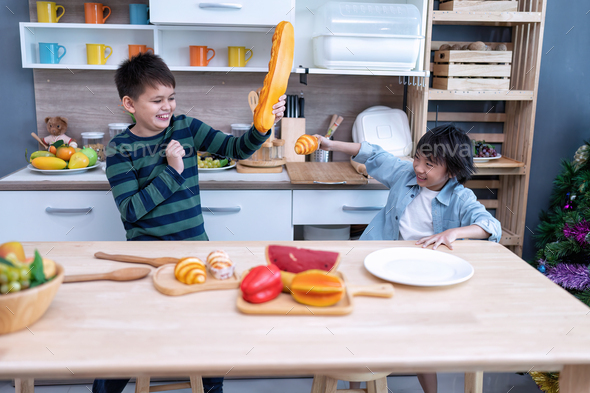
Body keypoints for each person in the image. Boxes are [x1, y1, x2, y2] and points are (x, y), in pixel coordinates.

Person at [95, 53, 285, 393]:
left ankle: (212, 387)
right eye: (156, 100)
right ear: (129, 103)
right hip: (147, 258)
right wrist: (172, 171)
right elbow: (131, 210)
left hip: (197, 249)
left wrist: (262, 124)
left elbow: (235, 149)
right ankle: (105, 387)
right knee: (132, 331)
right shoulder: (119, 149)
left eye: (171, 97)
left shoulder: (186, 128)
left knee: (209, 328)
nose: (166, 107)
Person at [316, 124, 501, 393]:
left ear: (452, 170)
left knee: (421, 341)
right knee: (359, 325)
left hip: (421, 274)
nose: (419, 168)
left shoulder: (461, 197)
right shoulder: (404, 174)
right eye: (418, 158)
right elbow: (375, 155)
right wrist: (332, 145)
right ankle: (357, 385)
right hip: (378, 262)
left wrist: (455, 232)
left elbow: (490, 225)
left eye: (430, 164)